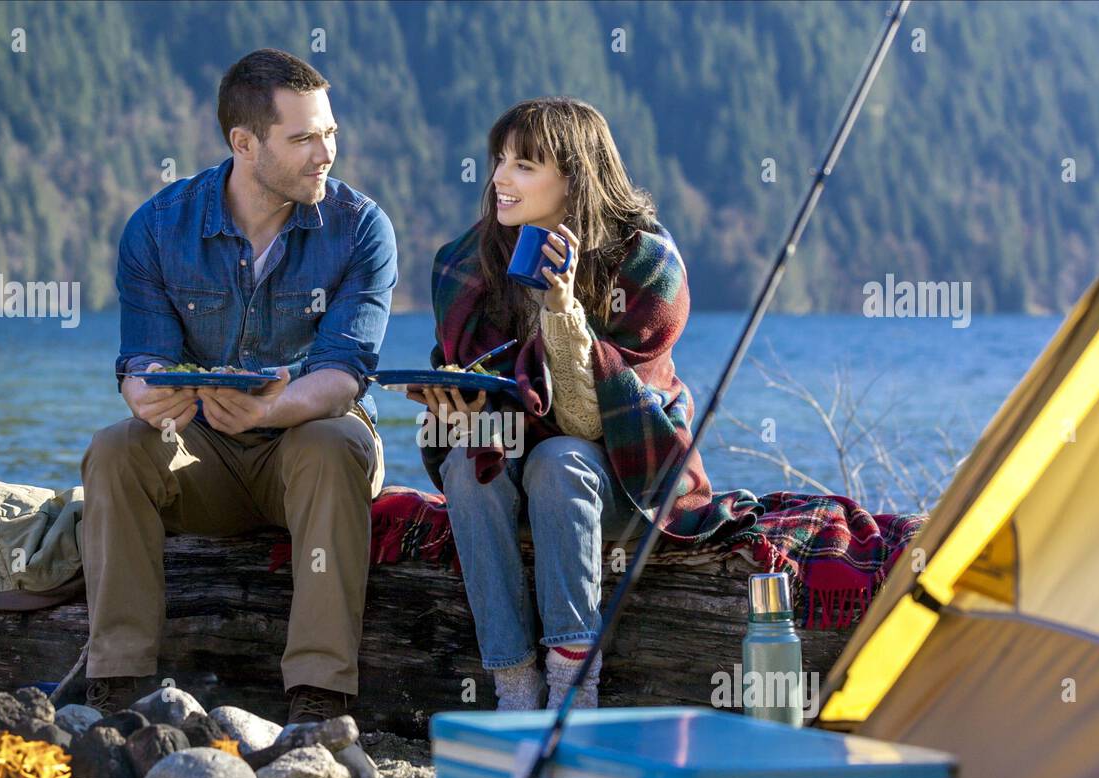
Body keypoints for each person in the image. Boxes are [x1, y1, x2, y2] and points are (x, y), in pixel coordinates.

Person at [77, 49, 397, 724]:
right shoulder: (158, 228)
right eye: (304, 137)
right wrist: (143, 392)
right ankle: (117, 689)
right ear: (244, 143)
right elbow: (145, 360)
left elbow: (344, 374)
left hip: (309, 450)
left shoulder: (361, 228)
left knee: (335, 441)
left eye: (330, 133)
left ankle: (319, 698)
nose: (326, 153)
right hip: (205, 458)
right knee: (117, 448)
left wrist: (273, 408)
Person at [411, 96, 714, 710]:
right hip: (518, 459)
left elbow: (586, 420)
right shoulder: (467, 263)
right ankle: (515, 685)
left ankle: (574, 684)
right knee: (469, 466)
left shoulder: (648, 268)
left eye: (524, 165)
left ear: (575, 178)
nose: (499, 178)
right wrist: (454, 408)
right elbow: (469, 384)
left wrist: (560, 308)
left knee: (562, 460)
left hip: (631, 475)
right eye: (499, 160)